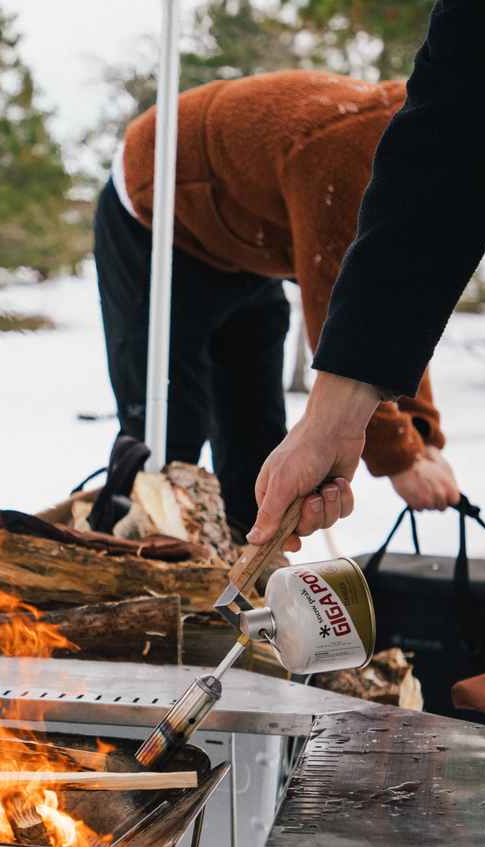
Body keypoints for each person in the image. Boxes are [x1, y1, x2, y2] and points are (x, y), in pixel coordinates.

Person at [96, 69, 460, 534]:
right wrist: (398, 457)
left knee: (258, 440)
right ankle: (137, 575)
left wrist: (422, 433)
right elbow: (349, 321)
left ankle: (242, 583)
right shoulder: (350, 153)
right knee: (169, 433)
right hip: (159, 213)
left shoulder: (429, 166)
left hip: (246, 233)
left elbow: (393, 304)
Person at [250, 0, 485, 551]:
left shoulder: (369, 154)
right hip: (162, 222)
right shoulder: (341, 156)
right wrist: (359, 434)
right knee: (233, 423)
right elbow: (449, 148)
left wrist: (418, 439)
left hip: (261, 243)